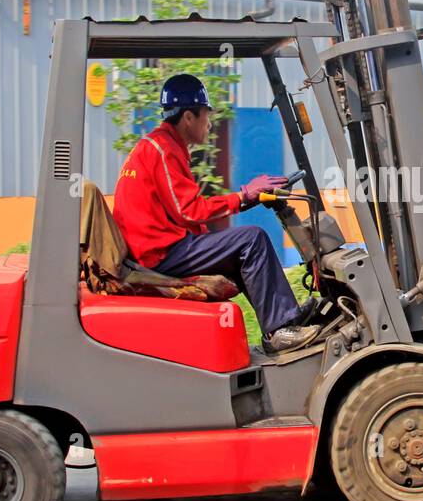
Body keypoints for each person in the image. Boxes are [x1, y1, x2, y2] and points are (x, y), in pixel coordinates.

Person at [112, 73, 321, 353]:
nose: (209, 124)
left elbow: (183, 214)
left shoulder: (162, 146)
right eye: (206, 116)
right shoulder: (163, 150)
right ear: (188, 117)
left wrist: (247, 199)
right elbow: (190, 211)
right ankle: (279, 329)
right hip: (158, 256)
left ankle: (285, 319)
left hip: (158, 249)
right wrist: (242, 195)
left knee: (237, 247)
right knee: (252, 239)